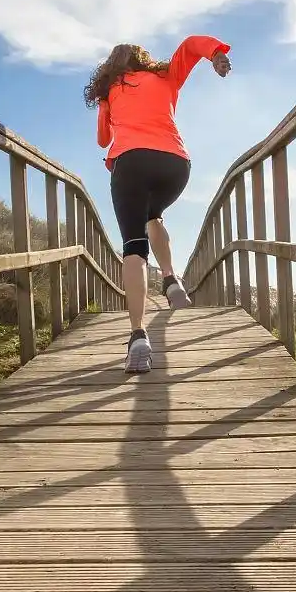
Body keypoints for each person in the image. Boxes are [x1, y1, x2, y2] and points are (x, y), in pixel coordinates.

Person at [84, 35, 232, 372]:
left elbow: (102, 141)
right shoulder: (166, 77)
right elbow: (192, 44)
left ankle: (138, 335)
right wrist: (217, 55)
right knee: (154, 215)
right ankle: (170, 279)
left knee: (134, 248)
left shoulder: (111, 91)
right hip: (175, 165)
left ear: (111, 68)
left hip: (131, 164)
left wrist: (109, 105)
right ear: (143, 60)